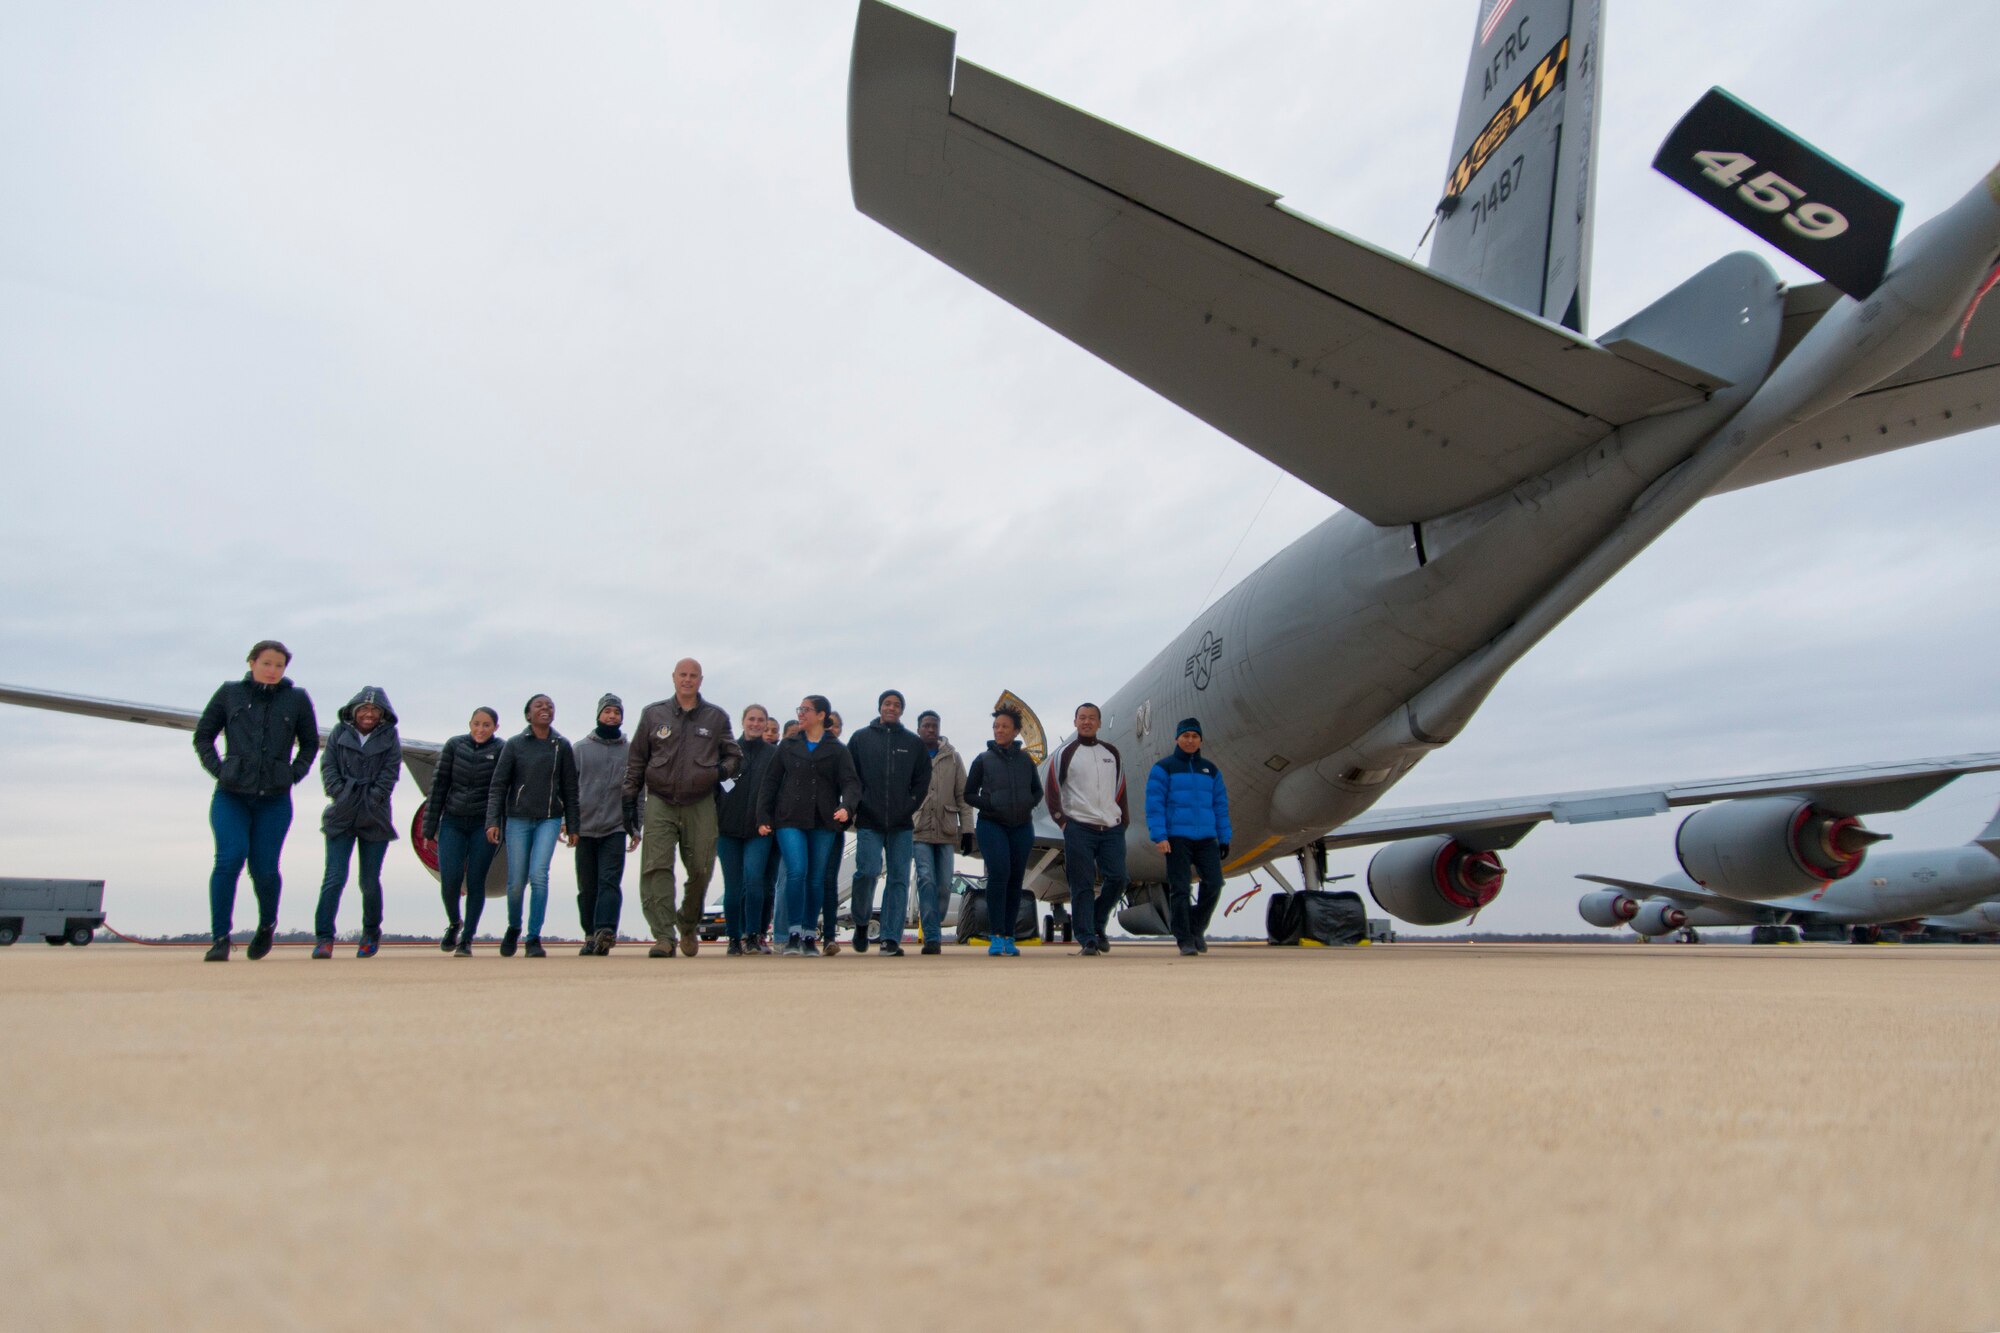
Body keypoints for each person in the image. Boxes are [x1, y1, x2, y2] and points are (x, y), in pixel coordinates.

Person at [191, 640, 319, 962]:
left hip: (274, 800)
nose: (273, 670)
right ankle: (220, 937)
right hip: (231, 795)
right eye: (267, 663)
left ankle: (267, 925)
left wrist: (293, 774)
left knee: (263, 868)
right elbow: (203, 735)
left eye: (279, 665)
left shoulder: (297, 699)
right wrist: (219, 770)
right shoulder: (229, 693)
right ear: (251, 662)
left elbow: (309, 744)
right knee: (229, 859)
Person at [623, 658, 742, 958]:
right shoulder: (653, 714)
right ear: (673, 678)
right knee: (656, 868)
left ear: (701, 680)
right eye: (682, 675)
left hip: (700, 801)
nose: (687, 680)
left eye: (693, 676)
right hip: (660, 800)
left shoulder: (716, 717)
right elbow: (637, 759)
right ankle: (663, 936)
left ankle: (688, 923)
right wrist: (629, 798)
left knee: (701, 868)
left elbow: (734, 756)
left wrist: (719, 773)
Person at [756, 695, 859, 956]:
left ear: (822, 715)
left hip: (824, 820)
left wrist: (847, 806)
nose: (800, 713)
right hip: (789, 818)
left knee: (816, 878)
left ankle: (810, 935)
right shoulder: (788, 745)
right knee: (797, 871)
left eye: (806, 709)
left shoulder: (837, 748)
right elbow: (770, 781)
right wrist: (763, 816)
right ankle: (792, 933)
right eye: (799, 709)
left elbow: (851, 783)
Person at [485, 694, 580, 958]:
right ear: (528, 714)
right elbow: (498, 785)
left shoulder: (562, 745)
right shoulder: (515, 745)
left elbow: (571, 788)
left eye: (550, 705)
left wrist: (573, 824)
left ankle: (533, 937)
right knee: (516, 881)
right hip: (518, 819)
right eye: (539, 705)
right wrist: (493, 820)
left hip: (549, 819)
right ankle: (514, 927)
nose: (546, 709)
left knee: (539, 875)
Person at [311, 687, 403, 959]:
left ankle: (370, 933)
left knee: (369, 880)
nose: (368, 714)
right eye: (363, 709)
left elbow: (391, 771)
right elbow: (328, 766)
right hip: (342, 812)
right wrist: (339, 793)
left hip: (374, 815)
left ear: (382, 714)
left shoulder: (389, 736)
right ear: (353, 711)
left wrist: (374, 797)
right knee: (334, 877)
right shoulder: (340, 733)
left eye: (374, 710)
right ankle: (324, 938)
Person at [846, 690, 932, 956]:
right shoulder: (860, 739)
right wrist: (858, 805)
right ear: (880, 707)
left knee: (898, 879)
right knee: (868, 872)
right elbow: (850, 777)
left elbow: (922, 780)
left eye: (896, 705)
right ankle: (861, 922)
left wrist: (908, 806)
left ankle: (890, 938)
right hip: (869, 820)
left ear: (902, 710)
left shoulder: (913, 743)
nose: (891, 708)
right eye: (887, 704)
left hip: (901, 824)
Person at [1045, 702, 1129, 956]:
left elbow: (1121, 788)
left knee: (1118, 878)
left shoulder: (1111, 753)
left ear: (1099, 723)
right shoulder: (1065, 753)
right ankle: (1087, 939)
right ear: (1075, 722)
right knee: (1081, 884)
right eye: (1082, 718)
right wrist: (1063, 822)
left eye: (1092, 718)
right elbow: (1051, 789)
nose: (1087, 722)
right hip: (1079, 827)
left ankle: (1096, 923)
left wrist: (1122, 821)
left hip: (1111, 827)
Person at [1145, 718, 1232, 956]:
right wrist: (1160, 836)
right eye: (1186, 736)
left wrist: (1224, 838)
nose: (1190, 740)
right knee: (1180, 889)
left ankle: (1196, 927)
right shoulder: (1164, 768)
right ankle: (1184, 939)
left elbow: (1220, 806)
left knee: (1214, 883)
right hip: (1177, 837)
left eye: (1194, 736)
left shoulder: (1211, 770)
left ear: (1201, 740)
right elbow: (1154, 805)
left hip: (1206, 837)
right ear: (1177, 739)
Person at [423, 707, 503, 956]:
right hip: (453, 821)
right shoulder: (454, 746)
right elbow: (438, 787)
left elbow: (502, 789)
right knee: (450, 878)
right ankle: (454, 922)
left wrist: (497, 823)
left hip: (484, 824)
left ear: (495, 728)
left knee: (477, 880)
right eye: (477, 724)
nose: (481, 729)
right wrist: (429, 827)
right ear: (470, 724)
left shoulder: (501, 749)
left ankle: (467, 938)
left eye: (486, 725)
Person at [964, 704, 1043, 957]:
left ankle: (1009, 936)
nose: (999, 730)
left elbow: (1037, 791)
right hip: (991, 825)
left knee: (1015, 879)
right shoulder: (983, 760)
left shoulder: (1026, 761)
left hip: (1021, 827)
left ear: (1016, 731)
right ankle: (996, 935)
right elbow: (968, 794)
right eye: (996, 726)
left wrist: (1026, 804)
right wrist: (990, 805)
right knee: (1000, 873)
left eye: (1004, 726)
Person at [575, 694, 642, 956]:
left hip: (616, 826)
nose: (612, 716)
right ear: (599, 715)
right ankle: (590, 934)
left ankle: (605, 931)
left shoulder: (631, 751)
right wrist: (567, 823)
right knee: (587, 886)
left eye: (617, 712)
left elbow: (639, 790)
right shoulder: (580, 749)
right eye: (608, 712)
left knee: (609, 881)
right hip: (584, 827)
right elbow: (567, 789)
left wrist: (636, 826)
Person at [910, 710, 976, 956]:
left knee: (944, 884)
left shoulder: (953, 757)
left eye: (934, 726)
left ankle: (933, 925)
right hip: (919, 829)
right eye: (926, 725)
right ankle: (932, 936)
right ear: (918, 729)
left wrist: (967, 830)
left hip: (947, 830)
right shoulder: (911, 756)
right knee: (925, 879)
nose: (930, 729)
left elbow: (963, 795)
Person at [716, 703, 778, 954]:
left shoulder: (773, 754)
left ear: (765, 724)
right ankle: (733, 937)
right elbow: (714, 786)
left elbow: (777, 790)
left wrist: (769, 820)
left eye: (760, 720)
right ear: (743, 721)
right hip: (727, 829)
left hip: (759, 830)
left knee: (754, 881)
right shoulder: (728, 751)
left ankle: (753, 935)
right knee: (733, 886)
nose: (755, 723)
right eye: (751, 719)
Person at [818, 710, 847, 953]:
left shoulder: (843, 754)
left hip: (833, 827)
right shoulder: (805, 751)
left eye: (835, 725)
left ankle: (829, 936)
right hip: (806, 826)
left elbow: (852, 787)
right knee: (806, 878)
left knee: (829, 882)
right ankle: (800, 932)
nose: (831, 729)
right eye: (827, 725)